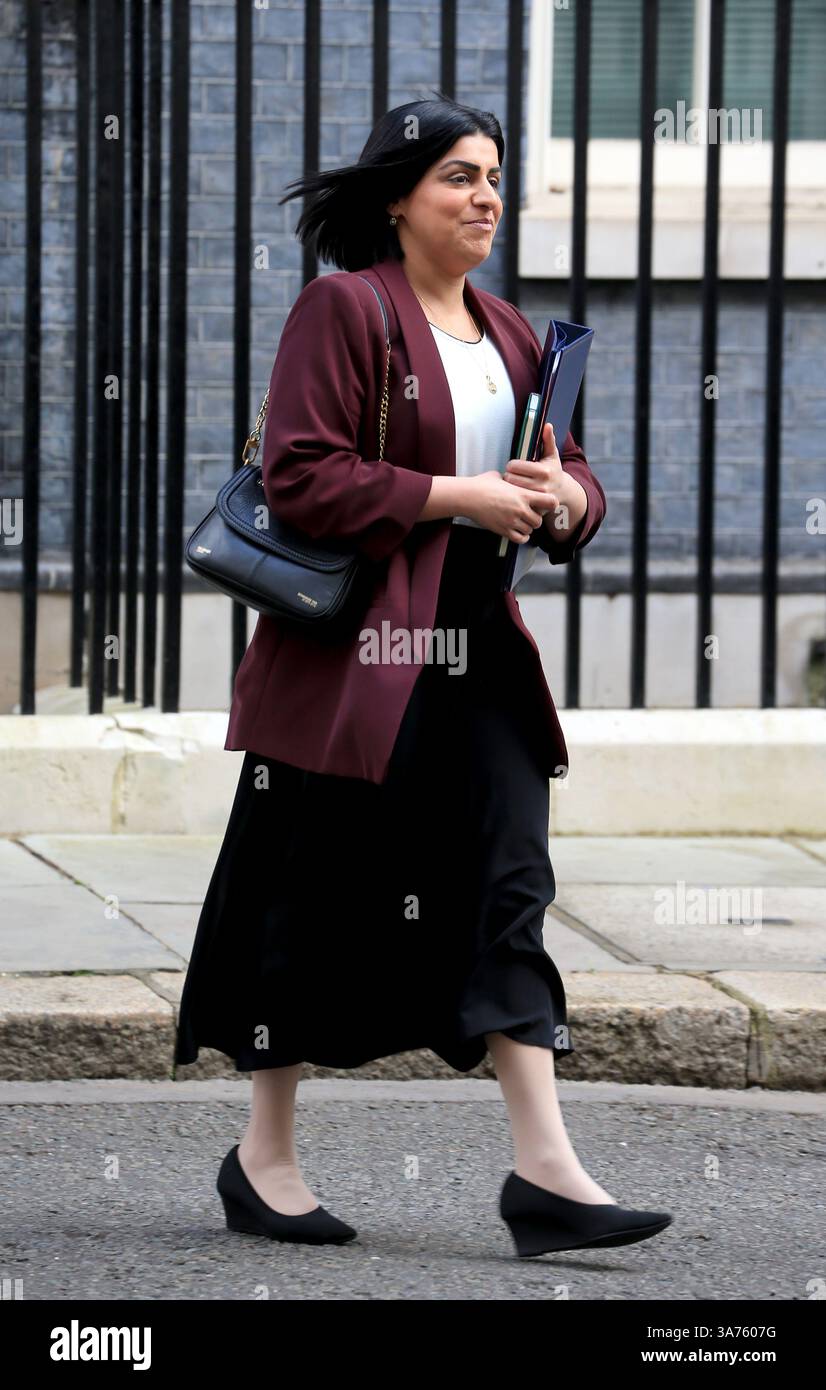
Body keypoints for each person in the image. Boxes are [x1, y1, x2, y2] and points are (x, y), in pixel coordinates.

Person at [175, 95, 672, 1257]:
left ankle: (545, 1172)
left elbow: (570, 474)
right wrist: (457, 495)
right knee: (312, 895)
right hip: (359, 662)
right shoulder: (344, 310)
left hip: (476, 655)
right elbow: (302, 476)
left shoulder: (508, 332)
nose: (484, 196)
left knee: (510, 882)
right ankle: (265, 1154)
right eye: (457, 176)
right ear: (397, 197)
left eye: (494, 176)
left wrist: (564, 500)